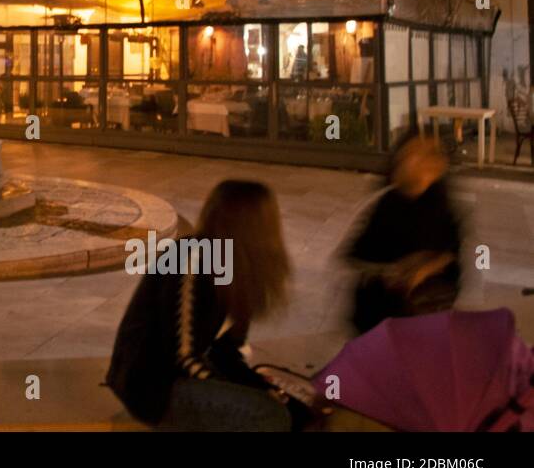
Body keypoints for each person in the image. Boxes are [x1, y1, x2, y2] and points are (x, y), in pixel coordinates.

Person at [107, 180, 304, 431]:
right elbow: (183, 356)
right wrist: (237, 392)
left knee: (291, 410)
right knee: (269, 415)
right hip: (153, 383)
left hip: (187, 376)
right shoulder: (190, 257)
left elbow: (226, 351)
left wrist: (262, 387)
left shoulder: (239, 272)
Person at [342, 133, 463, 334]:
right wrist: (390, 271)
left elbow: (452, 257)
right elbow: (356, 254)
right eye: (409, 155)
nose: (412, 161)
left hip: (420, 314)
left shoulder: (440, 203)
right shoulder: (389, 202)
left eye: (426, 156)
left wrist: (425, 268)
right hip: (381, 314)